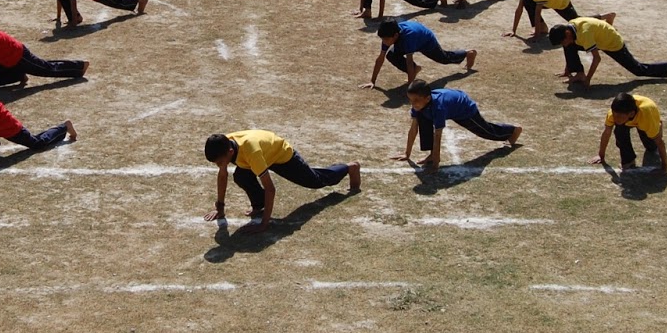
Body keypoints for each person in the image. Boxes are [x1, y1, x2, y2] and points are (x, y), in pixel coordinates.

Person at [202, 131, 360, 233]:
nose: (219, 165)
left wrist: (264, 224)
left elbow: (271, 189)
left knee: (316, 181)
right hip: (260, 154)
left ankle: (349, 168)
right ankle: (258, 204)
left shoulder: (251, 152)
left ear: (230, 152)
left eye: (220, 162)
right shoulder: (225, 144)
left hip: (280, 156)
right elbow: (223, 176)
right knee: (241, 176)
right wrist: (220, 209)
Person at [395, 79, 521, 169]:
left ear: (427, 98)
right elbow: (413, 130)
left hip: (463, 108)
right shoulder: (418, 106)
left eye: (416, 100)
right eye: (411, 100)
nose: (413, 104)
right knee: (423, 121)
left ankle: (513, 130)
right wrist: (407, 153)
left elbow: (437, 136)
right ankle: (431, 155)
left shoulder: (438, 108)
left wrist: (436, 162)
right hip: (448, 104)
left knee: (485, 131)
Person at [0, 11, 87, 88]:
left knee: (45, 69)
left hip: (17, 55)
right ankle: (19, 74)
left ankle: (79, 67)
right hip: (1, 61)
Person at [548, 18, 667, 87]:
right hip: (600, 37)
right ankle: (578, 73)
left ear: (567, 33)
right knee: (569, 46)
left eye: (563, 40)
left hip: (612, 43)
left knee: (637, 69)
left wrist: (588, 79)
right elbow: (567, 44)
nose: (563, 44)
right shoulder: (571, 28)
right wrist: (568, 70)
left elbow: (597, 59)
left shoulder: (584, 34)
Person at [366, 18, 476, 88]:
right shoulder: (389, 36)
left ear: (395, 35)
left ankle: (467, 53)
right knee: (391, 55)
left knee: (444, 59)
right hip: (409, 38)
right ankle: (416, 69)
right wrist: (372, 81)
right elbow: (380, 58)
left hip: (425, 41)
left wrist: (410, 87)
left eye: (385, 39)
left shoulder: (408, 38)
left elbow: (409, 62)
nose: (384, 42)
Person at [593, 91, 667, 171]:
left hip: (647, 115)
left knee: (652, 147)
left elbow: (659, 141)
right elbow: (607, 133)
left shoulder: (646, 116)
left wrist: (665, 164)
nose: (616, 119)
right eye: (615, 115)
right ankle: (629, 160)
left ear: (631, 114)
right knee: (619, 131)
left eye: (620, 116)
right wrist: (601, 155)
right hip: (629, 119)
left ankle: (658, 125)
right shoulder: (613, 114)